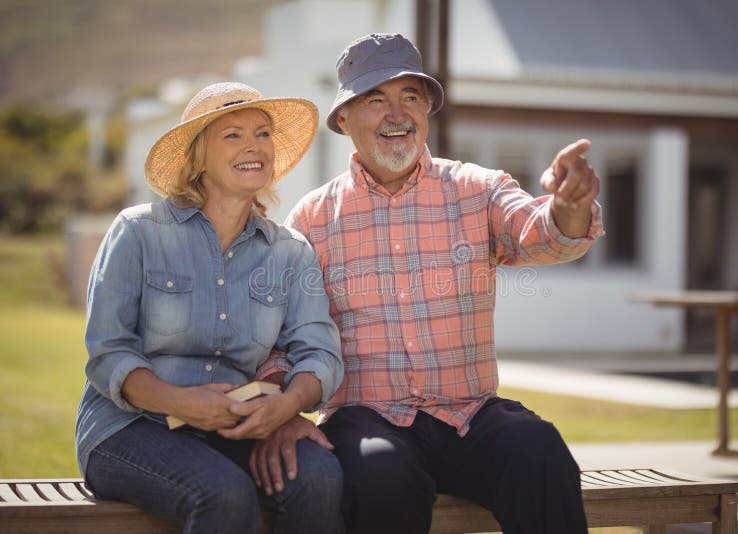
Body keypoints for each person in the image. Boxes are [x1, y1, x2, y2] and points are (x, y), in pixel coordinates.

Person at [256, 33, 604, 533]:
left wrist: (567, 210)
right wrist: (283, 407)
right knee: (379, 476)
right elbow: (280, 336)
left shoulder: (478, 189)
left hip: (470, 414)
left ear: (426, 111)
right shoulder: (311, 219)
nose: (397, 114)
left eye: (410, 98)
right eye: (376, 100)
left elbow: (541, 235)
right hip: (366, 418)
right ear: (344, 120)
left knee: (538, 448)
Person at [75, 82, 345, 534]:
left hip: (237, 429)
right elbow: (108, 353)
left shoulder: (291, 252)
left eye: (263, 134)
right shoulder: (138, 232)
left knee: (318, 478)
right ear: (198, 156)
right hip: (129, 426)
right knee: (223, 493)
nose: (253, 147)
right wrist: (179, 402)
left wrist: (287, 408)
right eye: (233, 135)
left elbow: (319, 352)